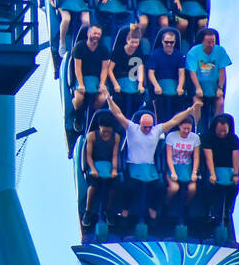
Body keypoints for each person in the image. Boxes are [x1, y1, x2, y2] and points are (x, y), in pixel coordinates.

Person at [103, 93, 201, 225]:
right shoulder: (132, 128)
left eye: (150, 126)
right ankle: (125, 212)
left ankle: (153, 211)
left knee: (159, 186)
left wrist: (189, 110)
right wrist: (109, 99)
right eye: (145, 127)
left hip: (150, 167)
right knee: (130, 186)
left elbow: (175, 121)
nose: (148, 129)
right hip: (133, 165)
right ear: (140, 124)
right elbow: (117, 113)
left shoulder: (156, 130)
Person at [202, 114, 239, 230]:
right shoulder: (208, 137)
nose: (222, 134)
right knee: (210, 186)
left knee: (234, 187)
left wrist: (235, 174)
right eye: (219, 131)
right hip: (213, 168)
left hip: (228, 169)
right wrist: (212, 174)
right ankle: (210, 211)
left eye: (224, 131)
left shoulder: (234, 139)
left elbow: (235, 158)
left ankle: (227, 210)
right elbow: (208, 157)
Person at [186, 27, 231, 120]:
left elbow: (222, 71)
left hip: (214, 86)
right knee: (197, 103)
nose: (211, 45)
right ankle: (195, 126)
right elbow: (192, 72)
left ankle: (217, 124)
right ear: (202, 41)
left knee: (220, 103)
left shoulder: (220, 51)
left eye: (213, 42)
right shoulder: (193, 52)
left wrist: (220, 88)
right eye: (209, 42)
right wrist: (198, 88)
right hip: (199, 85)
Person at [82, 118, 121, 228]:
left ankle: (108, 211)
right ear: (99, 128)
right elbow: (88, 155)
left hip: (108, 164)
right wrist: (93, 168)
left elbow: (114, 155)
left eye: (108, 131)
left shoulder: (116, 137)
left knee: (114, 185)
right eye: (103, 131)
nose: (105, 134)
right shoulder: (92, 136)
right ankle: (87, 211)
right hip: (95, 164)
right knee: (93, 185)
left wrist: (114, 169)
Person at [165, 113, 201, 226]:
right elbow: (169, 157)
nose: (186, 131)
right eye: (184, 128)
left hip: (187, 167)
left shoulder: (195, 138)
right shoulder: (171, 136)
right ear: (179, 126)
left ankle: (186, 206)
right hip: (174, 166)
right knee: (174, 188)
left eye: (189, 129)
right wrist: (173, 172)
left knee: (192, 189)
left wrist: (194, 172)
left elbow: (196, 157)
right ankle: (165, 204)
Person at [146, 25, 188, 120]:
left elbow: (181, 73)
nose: (169, 44)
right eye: (166, 42)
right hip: (160, 85)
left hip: (173, 85)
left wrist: (180, 86)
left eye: (171, 42)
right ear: (162, 41)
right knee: (159, 104)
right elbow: (151, 73)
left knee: (179, 102)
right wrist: (156, 85)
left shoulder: (179, 55)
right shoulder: (155, 54)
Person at [69, 23, 110, 117]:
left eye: (98, 34)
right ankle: (77, 115)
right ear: (88, 34)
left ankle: (93, 115)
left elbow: (104, 69)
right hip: (82, 78)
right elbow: (77, 68)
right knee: (79, 99)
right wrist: (81, 84)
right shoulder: (79, 47)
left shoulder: (103, 49)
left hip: (96, 79)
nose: (96, 36)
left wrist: (102, 84)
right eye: (95, 33)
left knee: (102, 98)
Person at [107, 24, 146, 114]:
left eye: (136, 43)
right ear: (127, 40)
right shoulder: (118, 51)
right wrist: (115, 84)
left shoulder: (139, 52)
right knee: (119, 98)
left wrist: (140, 84)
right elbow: (109, 70)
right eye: (132, 42)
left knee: (137, 98)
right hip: (119, 78)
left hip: (132, 78)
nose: (134, 45)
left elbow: (140, 69)